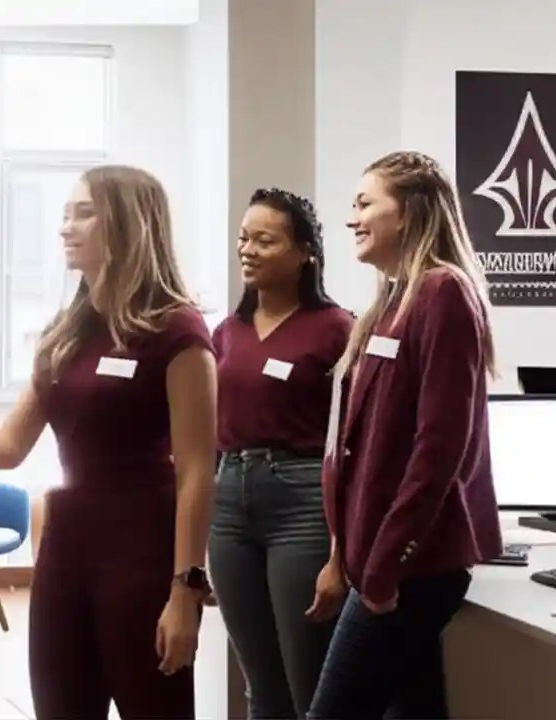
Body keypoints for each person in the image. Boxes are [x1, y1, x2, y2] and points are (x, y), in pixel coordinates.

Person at [0, 165, 217, 719]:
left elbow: (197, 469)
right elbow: (10, 445)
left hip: (142, 547)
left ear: (129, 222)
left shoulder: (176, 331)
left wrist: (186, 588)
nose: (66, 226)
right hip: (69, 544)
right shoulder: (66, 333)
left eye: (83, 212)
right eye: (65, 213)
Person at [306, 150, 502, 720]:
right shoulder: (390, 303)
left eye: (365, 203)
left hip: (411, 568)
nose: (352, 218)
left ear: (410, 211)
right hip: (376, 559)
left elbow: (439, 447)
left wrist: (387, 562)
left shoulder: (443, 294)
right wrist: (344, 555)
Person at [207, 188, 352, 719]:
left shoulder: (337, 330)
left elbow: (355, 439)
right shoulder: (227, 332)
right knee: (258, 681)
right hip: (230, 504)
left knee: (307, 679)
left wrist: (341, 553)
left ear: (306, 252)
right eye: (244, 238)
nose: (247, 249)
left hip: (302, 502)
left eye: (265, 240)